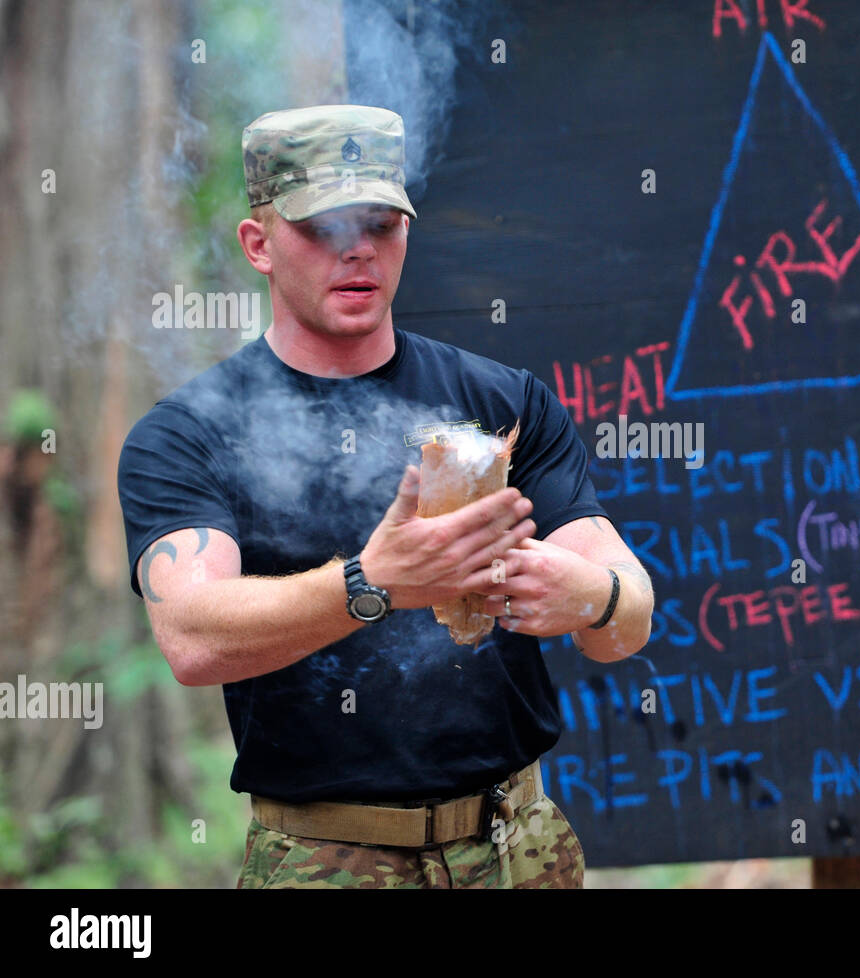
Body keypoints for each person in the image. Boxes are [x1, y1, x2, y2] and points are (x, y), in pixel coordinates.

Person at [117, 104, 654, 889]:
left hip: (519, 845)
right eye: (324, 227)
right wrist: (372, 585)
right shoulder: (190, 433)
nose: (358, 248)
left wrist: (592, 596)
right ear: (258, 243)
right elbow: (193, 639)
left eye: (381, 222)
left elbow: (626, 625)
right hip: (324, 859)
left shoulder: (503, 400)